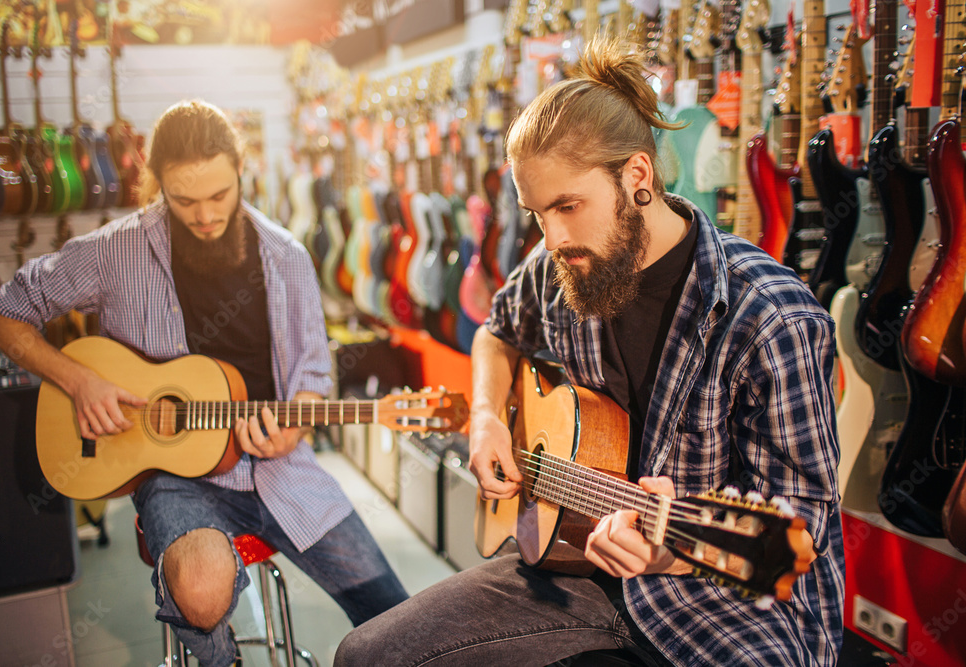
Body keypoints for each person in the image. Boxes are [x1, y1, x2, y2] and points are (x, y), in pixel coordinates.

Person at [334, 37, 844, 666]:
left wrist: (667, 549)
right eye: (537, 213)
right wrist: (490, 417)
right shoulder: (560, 267)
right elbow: (497, 330)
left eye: (568, 206)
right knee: (367, 654)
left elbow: (803, 531)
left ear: (637, 176)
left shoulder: (771, 317)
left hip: (726, 601)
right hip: (574, 569)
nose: (552, 237)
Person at [0, 99, 408, 667]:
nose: (205, 215)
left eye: (219, 196)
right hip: (172, 478)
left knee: (400, 620)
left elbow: (311, 379)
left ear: (240, 169)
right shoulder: (113, 250)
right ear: (156, 183)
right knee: (202, 591)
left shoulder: (287, 255)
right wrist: (78, 380)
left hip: (279, 471)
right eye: (184, 200)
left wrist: (295, 429)